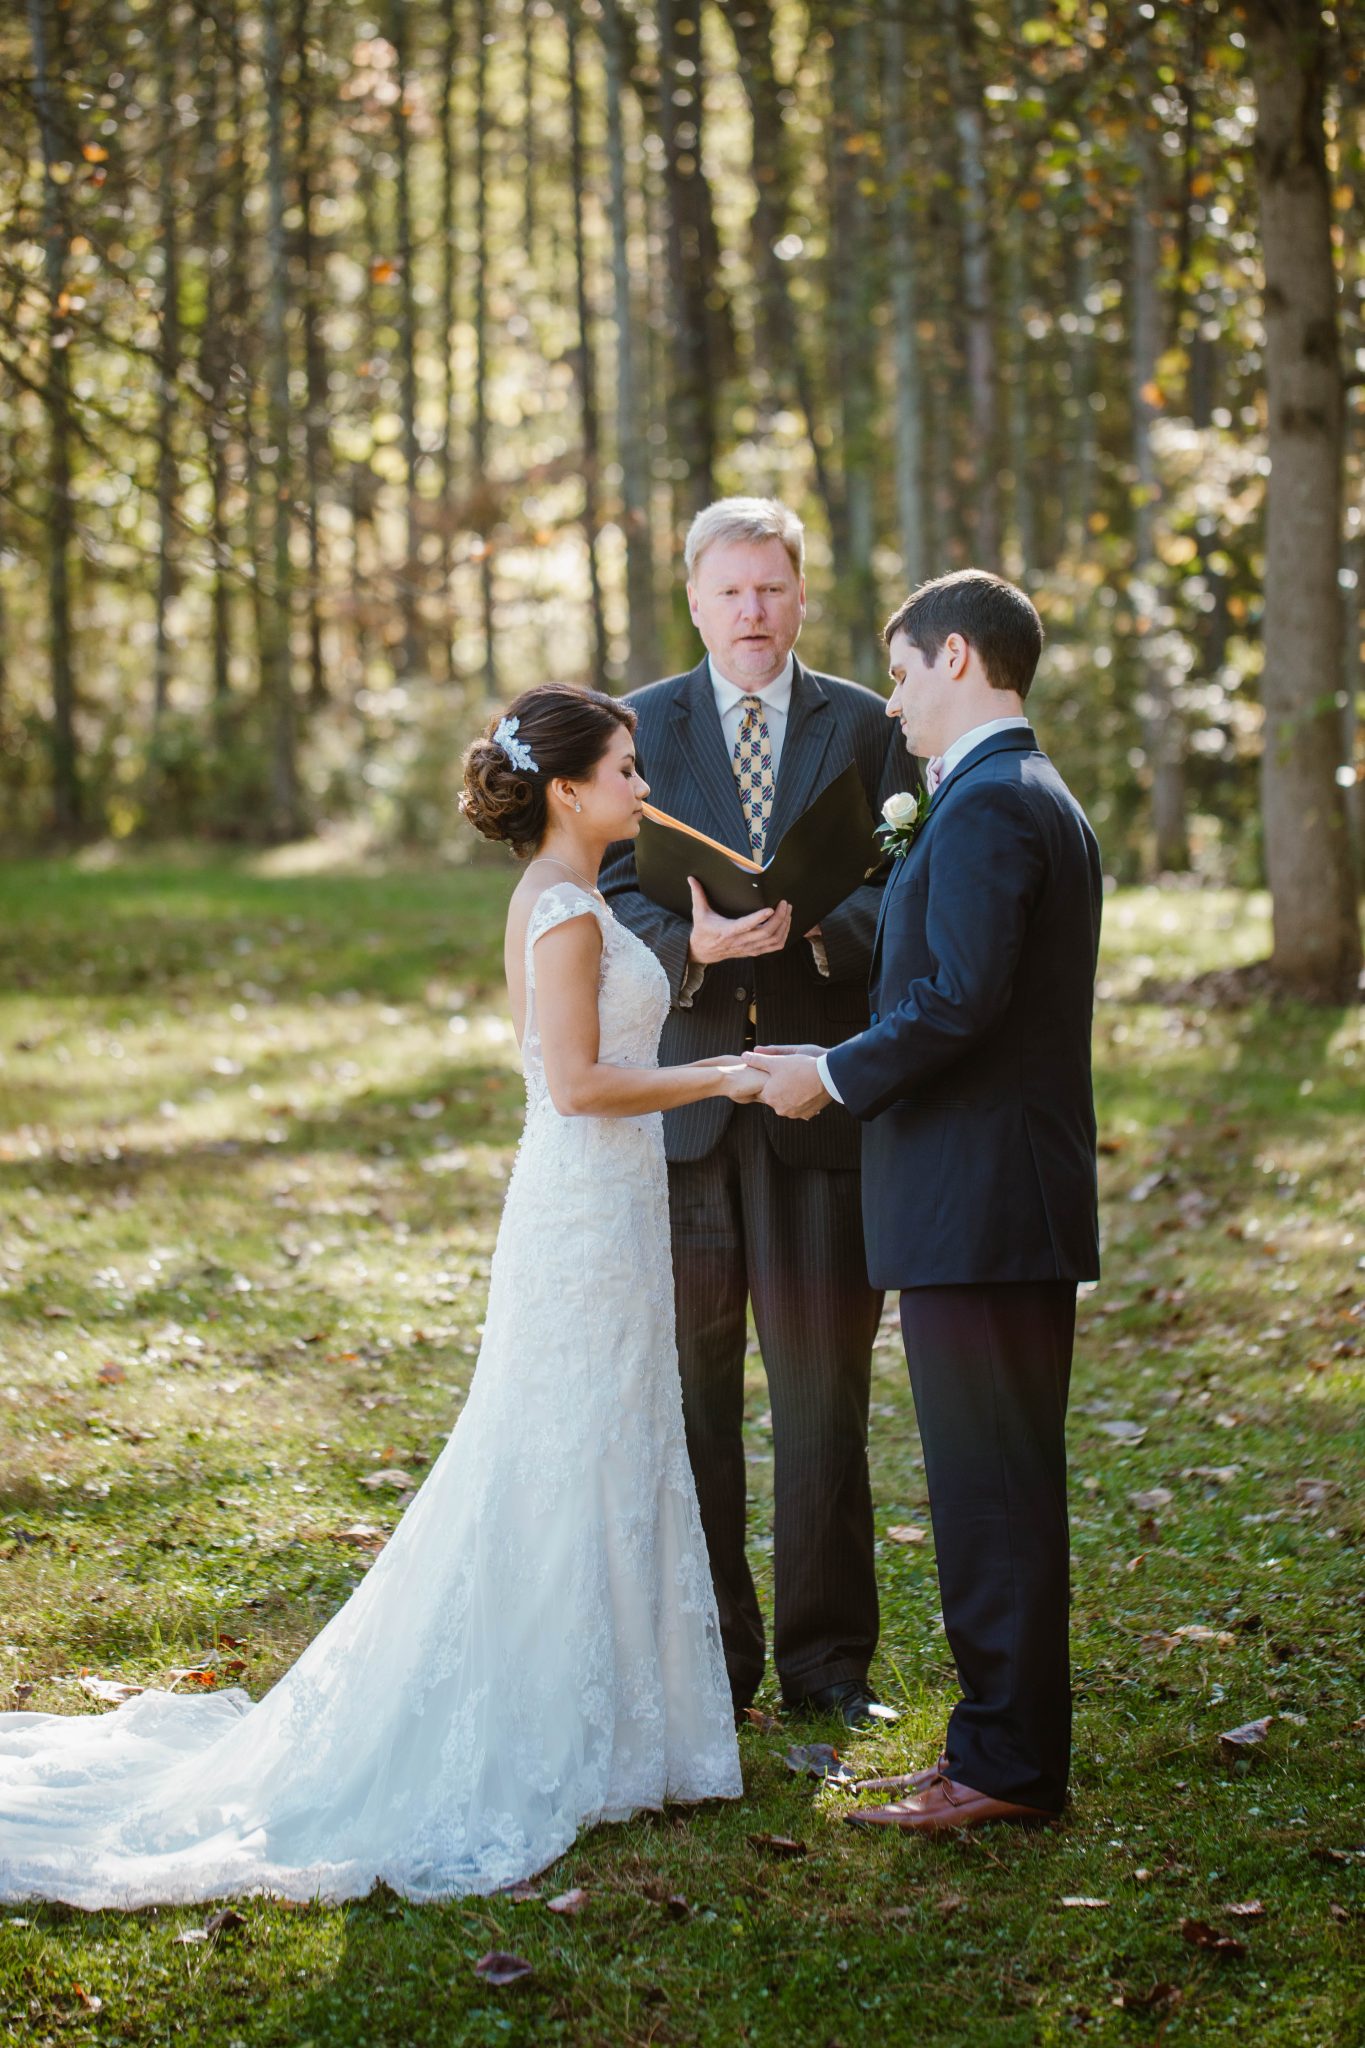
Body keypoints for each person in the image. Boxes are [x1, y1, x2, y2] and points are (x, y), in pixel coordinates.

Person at [0, 683, 754, 1908]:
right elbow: (574, 1084)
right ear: (567, 789)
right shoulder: (564, 908)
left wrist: (700, 971)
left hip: (608, 1212)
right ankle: (547, 1731)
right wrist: (727, 1069)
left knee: (610, 1442)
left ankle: (625, 1732)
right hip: (578, 1210)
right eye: (627, 768)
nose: (644, 786)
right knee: (553, 1453)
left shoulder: (578, 899)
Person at [748, 570, 1102, 1831]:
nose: (890, 700)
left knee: (994, 1490)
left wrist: (829, 1074)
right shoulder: (997, 796)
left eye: (900, 670)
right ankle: (995, 1745)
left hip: (988, 1202)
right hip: (985, 1200)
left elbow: (959, 999)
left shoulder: (998, 804)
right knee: (983, 1483)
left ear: (957, 658)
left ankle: (1005, 1766)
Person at [600, 498, 918, 1727]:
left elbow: (908, 887)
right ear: (694, 599)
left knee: (824, 1394)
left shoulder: (872, 724)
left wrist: (821, 937)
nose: (753, 612)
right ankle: (712, 1665)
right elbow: (608, 891)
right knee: (692, 1399)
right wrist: (692, 941)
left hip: (814, 1099)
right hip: (681, 1111)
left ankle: (829, 1666)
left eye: (773, 590)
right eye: (730, 591)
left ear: (800, 594)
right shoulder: (640, 723)